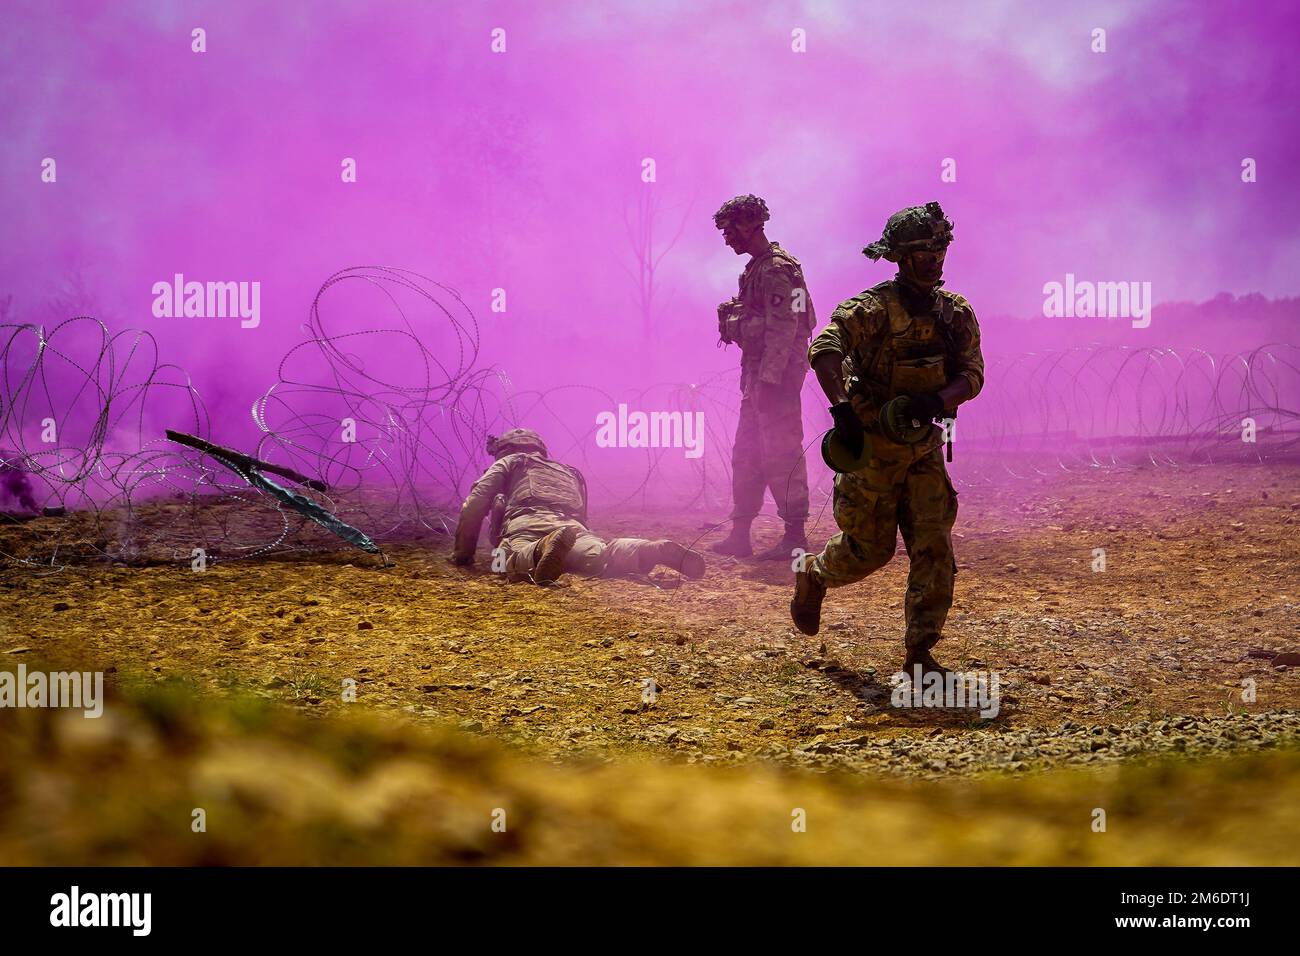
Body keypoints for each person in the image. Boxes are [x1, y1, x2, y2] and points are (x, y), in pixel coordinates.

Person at [790, 202, 984, 677]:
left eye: (939, 248)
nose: (934, 258)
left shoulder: (953, 314)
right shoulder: (872, 309)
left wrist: (936, 401)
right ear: (899, 256)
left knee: (934, 548)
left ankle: (920, 653)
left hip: (922, 450)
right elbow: (825, 348)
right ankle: (814, 574)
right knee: (869, 551)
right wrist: (842, 410)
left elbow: (973, 375)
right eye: (922, 251)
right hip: (873, 452)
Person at [451, 428, 706, 583]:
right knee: (603, 557)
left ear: (504, 451)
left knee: (503, 560)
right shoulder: (569, 471)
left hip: (525, 525)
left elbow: (475, 503)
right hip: (572, 529)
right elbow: (582, 514)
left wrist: (463, 555)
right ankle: (650, 550)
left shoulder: (511, 462)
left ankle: (541, 550)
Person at [710, 194, 815, 560]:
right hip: (758, 379)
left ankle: (795, 537)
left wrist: (771, 381)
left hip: (775, 382)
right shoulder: (759, 267)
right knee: (747, 454)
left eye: (730, 230)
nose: (726, 238)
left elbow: (788, 327)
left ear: (750, 225)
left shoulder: (775, 269)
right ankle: (741, 534)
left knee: (782, 455)